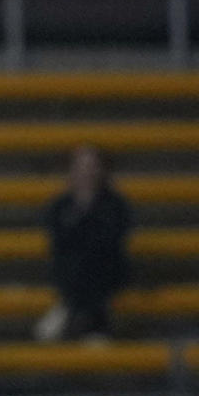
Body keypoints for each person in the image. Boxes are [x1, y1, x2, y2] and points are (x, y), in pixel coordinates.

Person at [40, 144, 132, 339]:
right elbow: (59, 248)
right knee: (46, 334)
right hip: (69, 292)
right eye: (81, 166)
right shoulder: (59, 207)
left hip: (106, 291)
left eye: (91, 166)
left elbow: (110, 247)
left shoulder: (116, 207)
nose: (86, 172)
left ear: (102, 170)